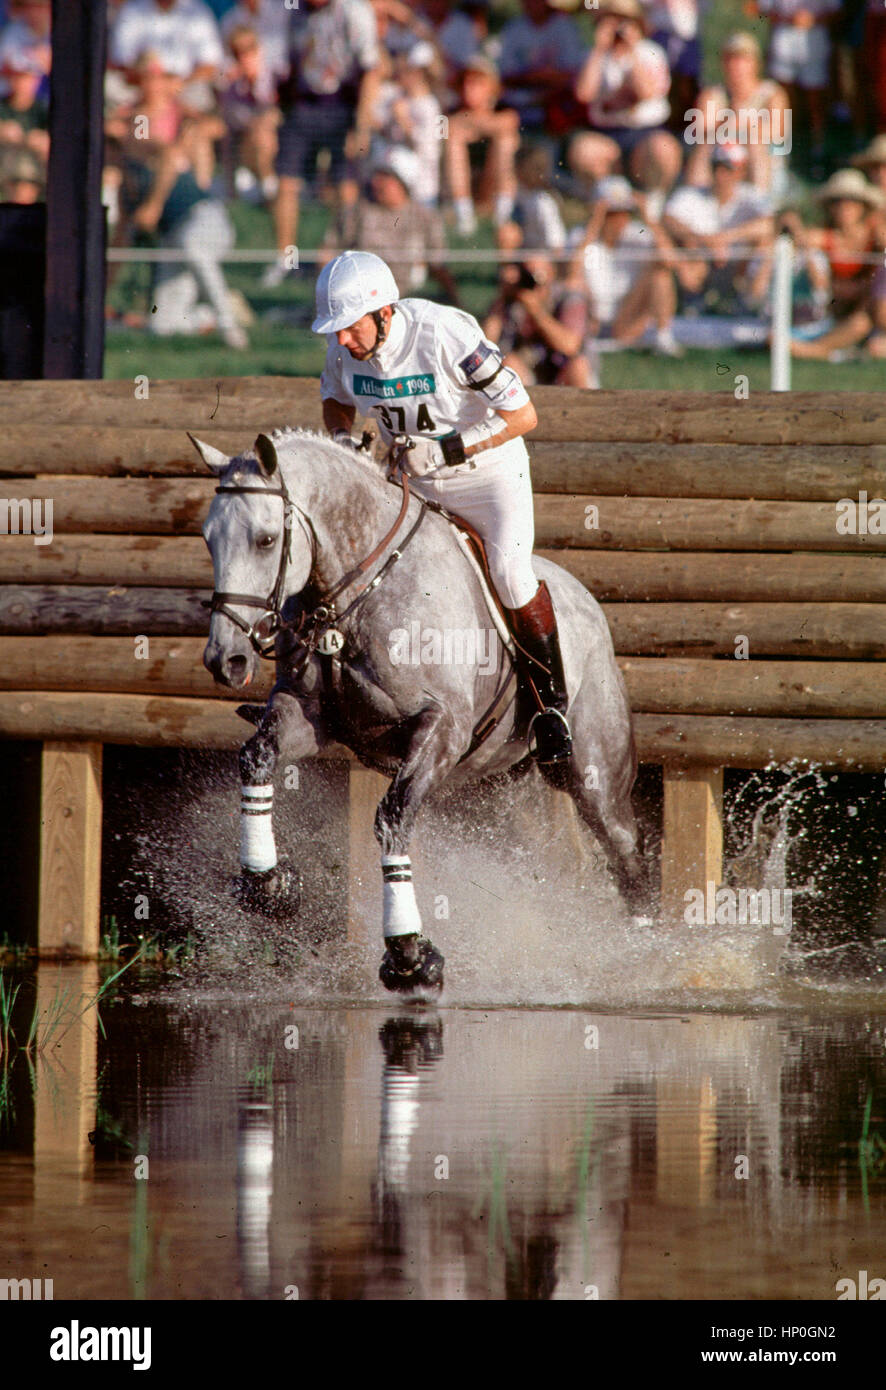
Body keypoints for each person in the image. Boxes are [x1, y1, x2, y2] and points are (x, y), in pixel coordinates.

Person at [314, 248, 573, 763]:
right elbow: (335, 400)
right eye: (336, 329)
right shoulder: (345, 347)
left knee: (511, 573)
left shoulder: (444, 332)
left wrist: (452, 447)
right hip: (415, 485)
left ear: (385, 312)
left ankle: (551, 710)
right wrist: (343, 440)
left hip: (488, 479)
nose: (342, 339)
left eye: (350, 327)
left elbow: (523, 415)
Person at [264, 0, 381, 288]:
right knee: (287, 182)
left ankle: (348, 259)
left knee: (345, 186)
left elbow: (371, 68)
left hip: (342, 104)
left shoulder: (354, 12)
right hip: (303, 104)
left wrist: (362, 122)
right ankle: (285, 260)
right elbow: (282, 62)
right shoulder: (292, 11)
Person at [319, 145, 459, 300]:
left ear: (403, 182)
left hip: (407, 297)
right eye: (376, 175)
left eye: (385, 177)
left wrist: (454, 300)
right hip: (358, 294)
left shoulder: (425, 217)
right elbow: (328, 253)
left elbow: (438, 265)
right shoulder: (357, 212)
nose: (376, 182)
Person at [574, 0, 682, 190]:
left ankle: (653, 197)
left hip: (646, 132)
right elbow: (583, 94)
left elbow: (646, 92)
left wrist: (631, 50)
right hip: (608, 133)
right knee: (583, 150)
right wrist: (599, 49)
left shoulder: (650, 52)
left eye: (622, 20)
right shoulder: (596, 57)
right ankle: (604, 197)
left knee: (663, 148)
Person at [781, 167, 884, 359]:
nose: (844, 207)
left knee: (863, 319)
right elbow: (799, 241)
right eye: (837, 201)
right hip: (835, 309)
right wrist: (793, 226)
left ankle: (815, 350)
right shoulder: (825, 236)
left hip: (866, 310)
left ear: (862, 206)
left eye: (851, 201)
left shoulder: (875, 236)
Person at [575, 175, 683, 355]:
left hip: (626, 316)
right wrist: (594, 224)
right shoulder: (581, 237)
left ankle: (663, 338)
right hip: (590, 319)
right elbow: (570, 272)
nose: (619, 219)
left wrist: (648, 218)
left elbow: (671, 260)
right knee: (575, 283)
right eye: (611, 213)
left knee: (660, 274)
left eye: (624, 212)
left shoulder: (636, 234)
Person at [662, 142, 774, 315]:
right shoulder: (692, 194)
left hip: (738, 268)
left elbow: (771, 224)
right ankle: (693, 301)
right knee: (686, 244)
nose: (720, 175)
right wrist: (704, 240)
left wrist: (725, 238)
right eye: (716, 167)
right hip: (703, 265)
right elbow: (668, 220)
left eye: (728, 169)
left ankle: (751, 303)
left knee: (766, 242)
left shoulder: (751, 195)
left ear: (741, 172)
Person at [685, 31, 790, 196]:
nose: (736, 65)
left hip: (762, 157)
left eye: (742, 59)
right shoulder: (713, 94)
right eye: (730, 59)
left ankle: (759, 199)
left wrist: (739, 124)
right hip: (724, 157)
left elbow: (777, 132)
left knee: (755, 140)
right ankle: (695, 195)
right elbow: (701, 128)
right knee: (705, 144)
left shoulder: (772, 93)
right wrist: (732, 123)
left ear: (755, 62)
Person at [483, 253, 596, 387]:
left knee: (578, 366)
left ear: (551, 275)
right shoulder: (512, 302)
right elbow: (487, 345)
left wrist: (537, 312)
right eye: (527, 274)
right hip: (531, 376)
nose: (532, 283)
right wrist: (503, 296)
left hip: (564, 374)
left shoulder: (568, 299)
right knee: (509, 363)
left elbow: (570, 346)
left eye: (537, 276)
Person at [444, 54, 520, 236]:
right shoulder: (448, 109)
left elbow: (508, 123)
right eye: (465, 82)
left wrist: (470, 123)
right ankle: (464, 214)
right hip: (460, 185)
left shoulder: (505, 109)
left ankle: (502, 214)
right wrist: (480, 124)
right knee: (453, 142)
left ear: (492, 87)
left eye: (477, 82)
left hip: (491, 184)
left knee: (506, 141)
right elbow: (442, 128)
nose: (468, 88)